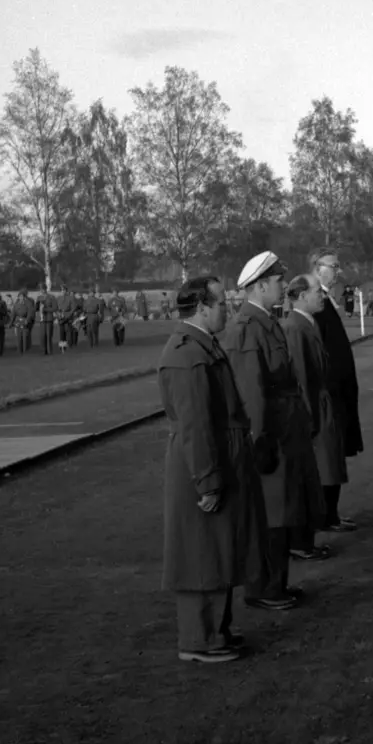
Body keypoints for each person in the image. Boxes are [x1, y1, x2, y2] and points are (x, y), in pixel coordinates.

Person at [158, 275, 268, 664]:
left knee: (220, 552)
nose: (229, 307)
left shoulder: (204, 347)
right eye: (222, 302)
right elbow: (195, 426)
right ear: (202, 307)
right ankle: (198, 639)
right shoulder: (187, 354)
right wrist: (207, 481)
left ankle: (215, 630)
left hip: (221, 458)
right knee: (202, 557)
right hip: (203, 466)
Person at [222, 252, 325, 607]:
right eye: (279, 280)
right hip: (271, 440)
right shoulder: (247, 329)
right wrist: (260, 442)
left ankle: (275, 584)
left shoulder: (266, 323)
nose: (285, 285)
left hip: (285, 433)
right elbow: (252, 395)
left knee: (284, 512)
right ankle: (263, 588)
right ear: (260, 285)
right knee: (270, 517)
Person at [283, 275, 349, 537]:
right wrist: (309, 418)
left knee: (332, 460)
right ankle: (321, 518)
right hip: (315, 406)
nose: (322, 296)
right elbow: (300, 375)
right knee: (324, 462)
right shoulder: (295, 327)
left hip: (324, 401)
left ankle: (329, 515)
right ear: (301, 296)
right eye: (316, 292)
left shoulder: (307, 324)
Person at [309, 248, 363, 535]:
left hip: (339, 391)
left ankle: (331, 513)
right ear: (318, 269)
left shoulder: (327, 301)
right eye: (333, 266)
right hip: (329, 393)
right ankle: (325, 514)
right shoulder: (316, 305)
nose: (337, 270)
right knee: (329, 456)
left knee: (337, 454)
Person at [11, 287, 35, 354]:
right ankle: (24, 347)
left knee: (25, 334)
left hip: (27, 319)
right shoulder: (28, 300)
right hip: (24, 320)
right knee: (24, 334)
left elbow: (31, 311)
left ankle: (25, 347)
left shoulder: (30, 301)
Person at [37, 286, 57, 355]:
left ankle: (49, 351)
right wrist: (37, 305)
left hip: (49, 319)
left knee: (49, 335)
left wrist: (45, 309)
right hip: (42, 320)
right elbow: (37, 309)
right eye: (41, 289)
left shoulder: (51, 297)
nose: (42, 290)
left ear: (46, 289)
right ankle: (43, 350)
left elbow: (55, 308)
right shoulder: (39, 297)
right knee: (42, 336)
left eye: (43, 289)